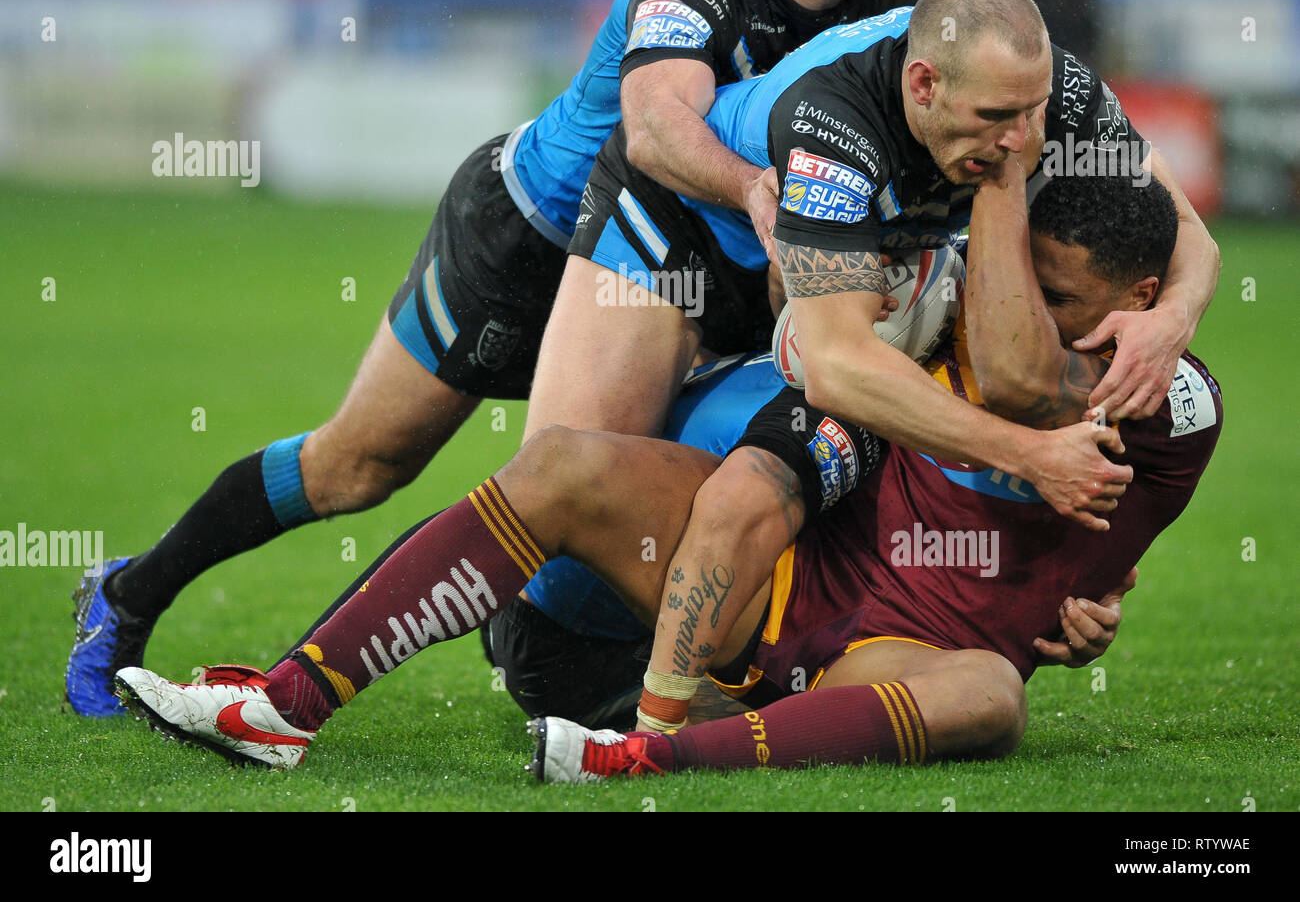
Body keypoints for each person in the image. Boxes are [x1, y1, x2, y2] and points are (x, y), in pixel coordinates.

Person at [67, 0, 931, 717]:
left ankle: (288, 696)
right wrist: (760, 191)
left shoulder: (897, 7)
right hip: (524, 240)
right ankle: (132, 597)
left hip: (672, 266)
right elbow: (651, 128)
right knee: (359, 466)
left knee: (581, 499)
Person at [111, 170, 1219, 776]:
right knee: (563, 462)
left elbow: (1076, 526)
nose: (1017, 304)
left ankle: (652, 756)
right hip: (780, 570)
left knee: (990, 697)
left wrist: (1090, 606)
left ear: (1135, 310)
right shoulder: (948, 294)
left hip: (894, 655)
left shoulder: (1173, 403)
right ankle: (286, 704)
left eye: (1057, 296)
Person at [510, 0, 1218, 731]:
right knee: (556, 493)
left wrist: (1171, 317)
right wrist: (1027, 454)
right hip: (677, 242)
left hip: (816, 304)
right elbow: (850, 368)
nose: (1018, 137)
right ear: (923, 85)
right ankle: (567, 660)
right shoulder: (840, 117)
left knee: (815, 480)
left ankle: (689, 700)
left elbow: (1187, 229)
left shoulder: (1043, 102)